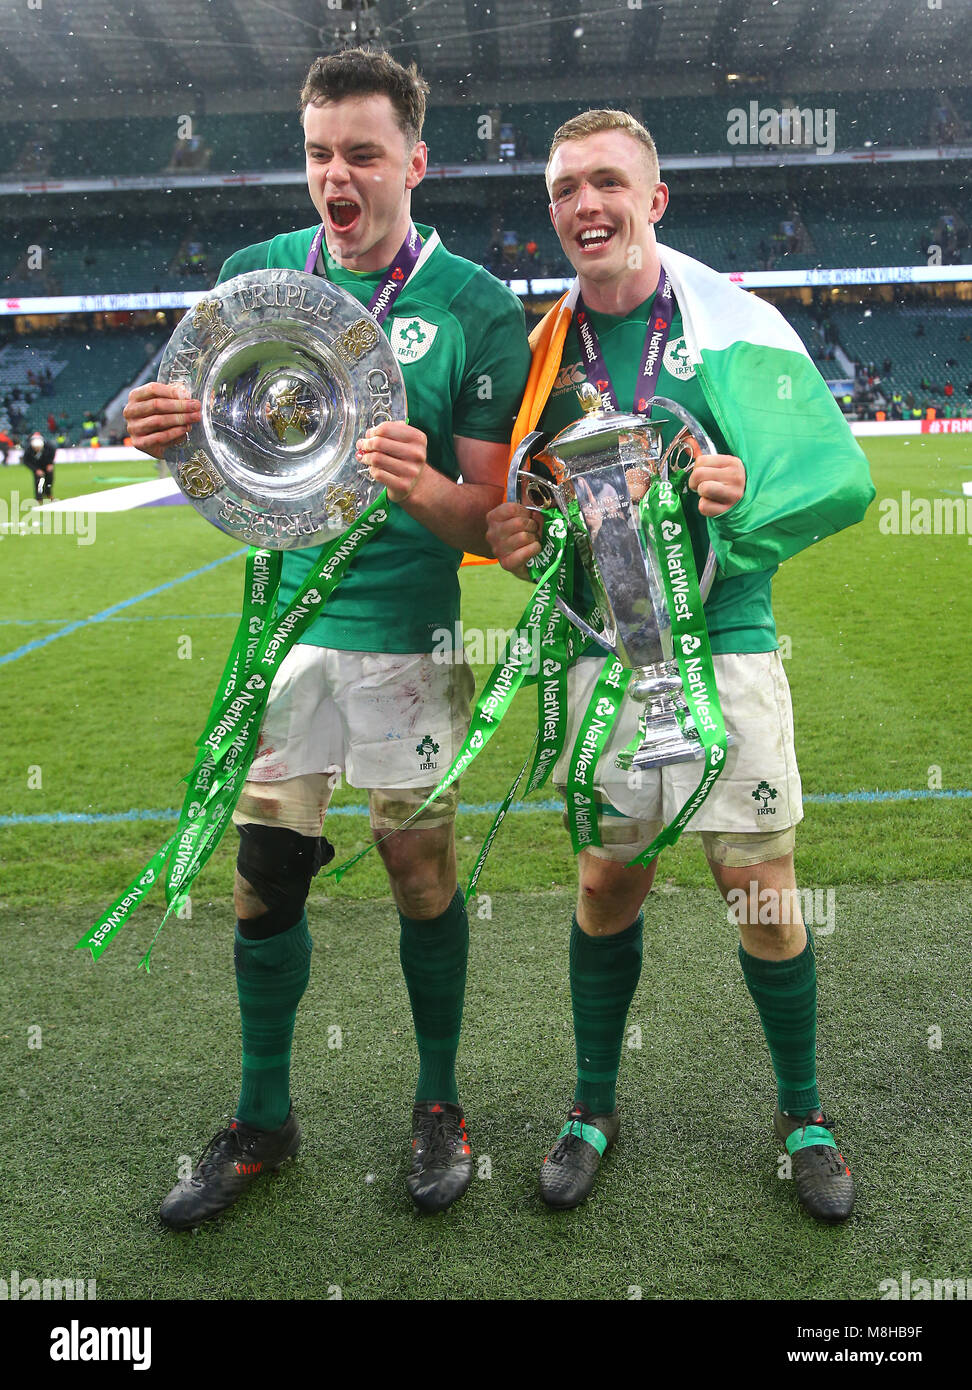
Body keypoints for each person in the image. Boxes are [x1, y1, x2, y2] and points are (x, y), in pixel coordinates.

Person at [122, 48, 531, 1229]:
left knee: (419, 871)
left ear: (415, 160)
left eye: (360, 152)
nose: (334, 176)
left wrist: (423, 491)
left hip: (412, 637)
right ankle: (263, 1120)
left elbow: (492, 524)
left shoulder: (473, 306)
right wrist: (154, 428)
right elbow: (207, 447)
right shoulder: (256, 277)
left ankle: (441, 1103)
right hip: (288, 636)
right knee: (263, 880)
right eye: (317, 154)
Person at [486, 110, 873, 1223]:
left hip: (726, 643)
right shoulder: (540, 353)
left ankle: (803, 1112)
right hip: (600, 652)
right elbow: (532, 510)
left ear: (656, 200)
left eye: (608, 182)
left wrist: (744, 494)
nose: (584, 205)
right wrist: (521, 536)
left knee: (758, 883)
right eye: (564, 189)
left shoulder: (731, 327)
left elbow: (833, 475)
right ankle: (592, 1105)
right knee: (609, 880)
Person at [21, 430, 55, 501]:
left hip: (46, 464)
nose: (37, 449)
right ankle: (39, 497)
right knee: (38, 481)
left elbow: (52, 455)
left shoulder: (50, 447)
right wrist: (36, 470)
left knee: (49, 480)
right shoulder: (28, 450)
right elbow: (26, 461)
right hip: (36, 466)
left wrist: (50, 464)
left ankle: (48, 493)